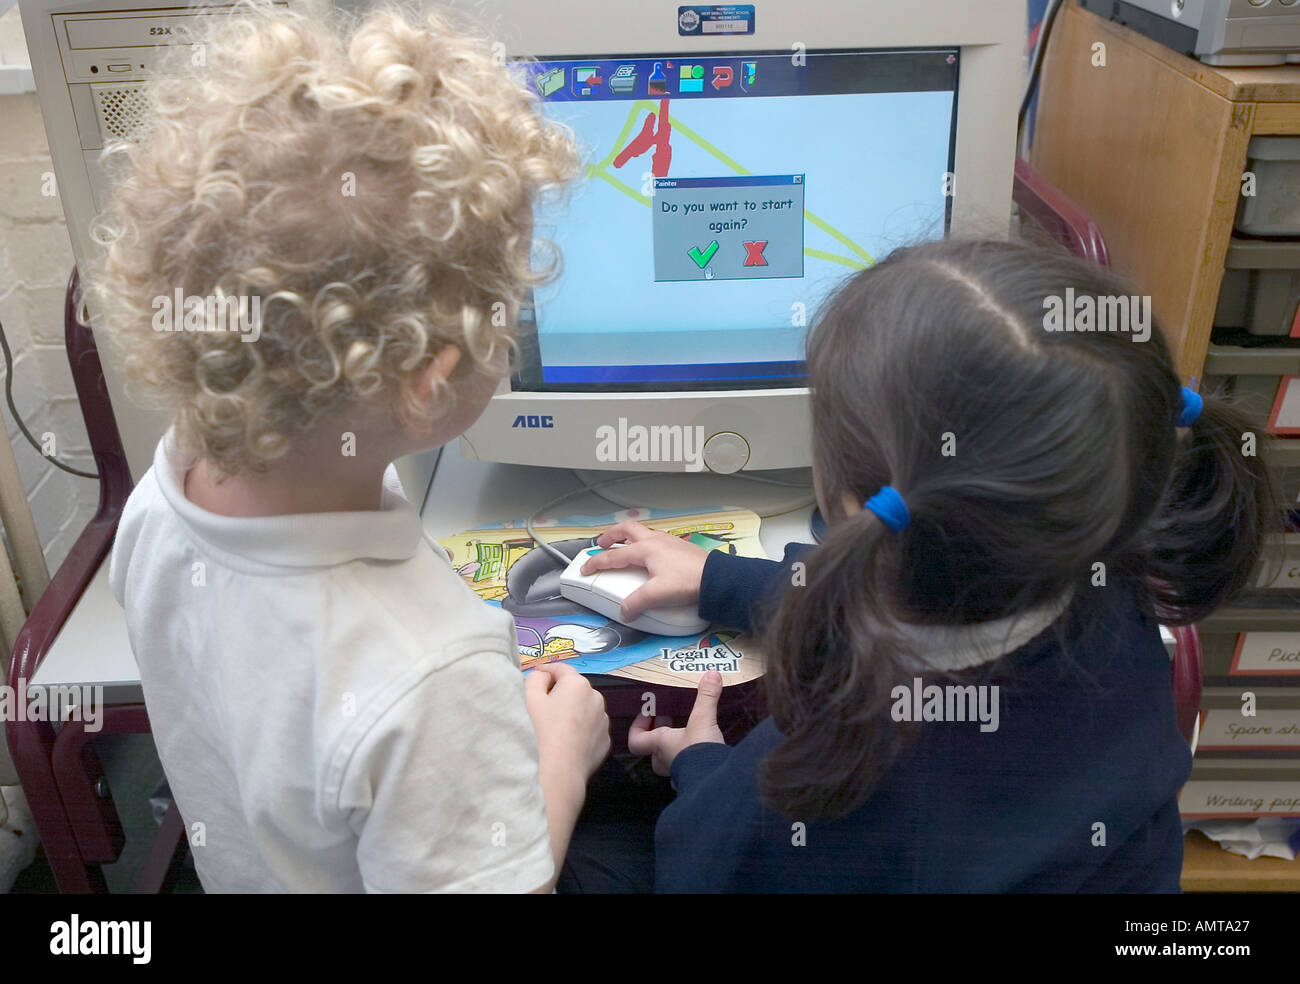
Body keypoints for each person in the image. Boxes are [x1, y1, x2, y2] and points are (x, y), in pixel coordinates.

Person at [91, 2, 609, 892]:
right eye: (510, 312)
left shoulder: (168, 493)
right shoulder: (433, 673)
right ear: (432, 382)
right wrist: (561, 761)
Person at [582, 238, 1278, 892]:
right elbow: (895, 595)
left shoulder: (820, 776)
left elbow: (699, 864)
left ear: (852, 502)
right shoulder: (1110, 592)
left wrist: (700, 763)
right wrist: (720, 580)